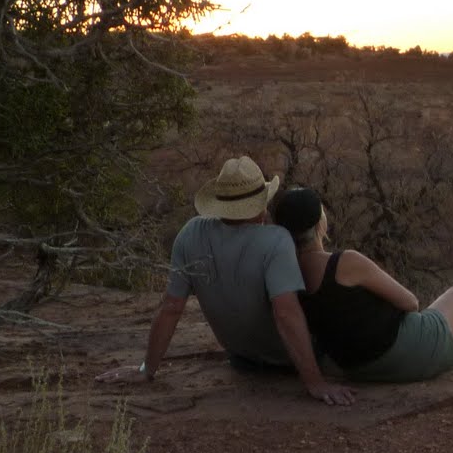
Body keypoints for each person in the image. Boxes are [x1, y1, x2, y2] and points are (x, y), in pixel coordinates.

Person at [97, 156, 356, 405]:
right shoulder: (276, 241)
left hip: (243, 359)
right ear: (260, 204)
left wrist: (146, 369)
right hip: (289, 359)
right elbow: (286, 313)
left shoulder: (190, 234)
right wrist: (315, 382)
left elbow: (171, 308)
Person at [270, 186, 453, 382]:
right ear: (320, 224)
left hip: (357, 368)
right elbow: (410, 302)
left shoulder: (283, 276)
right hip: (397, 356)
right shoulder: (345, 262)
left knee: (449, 340)